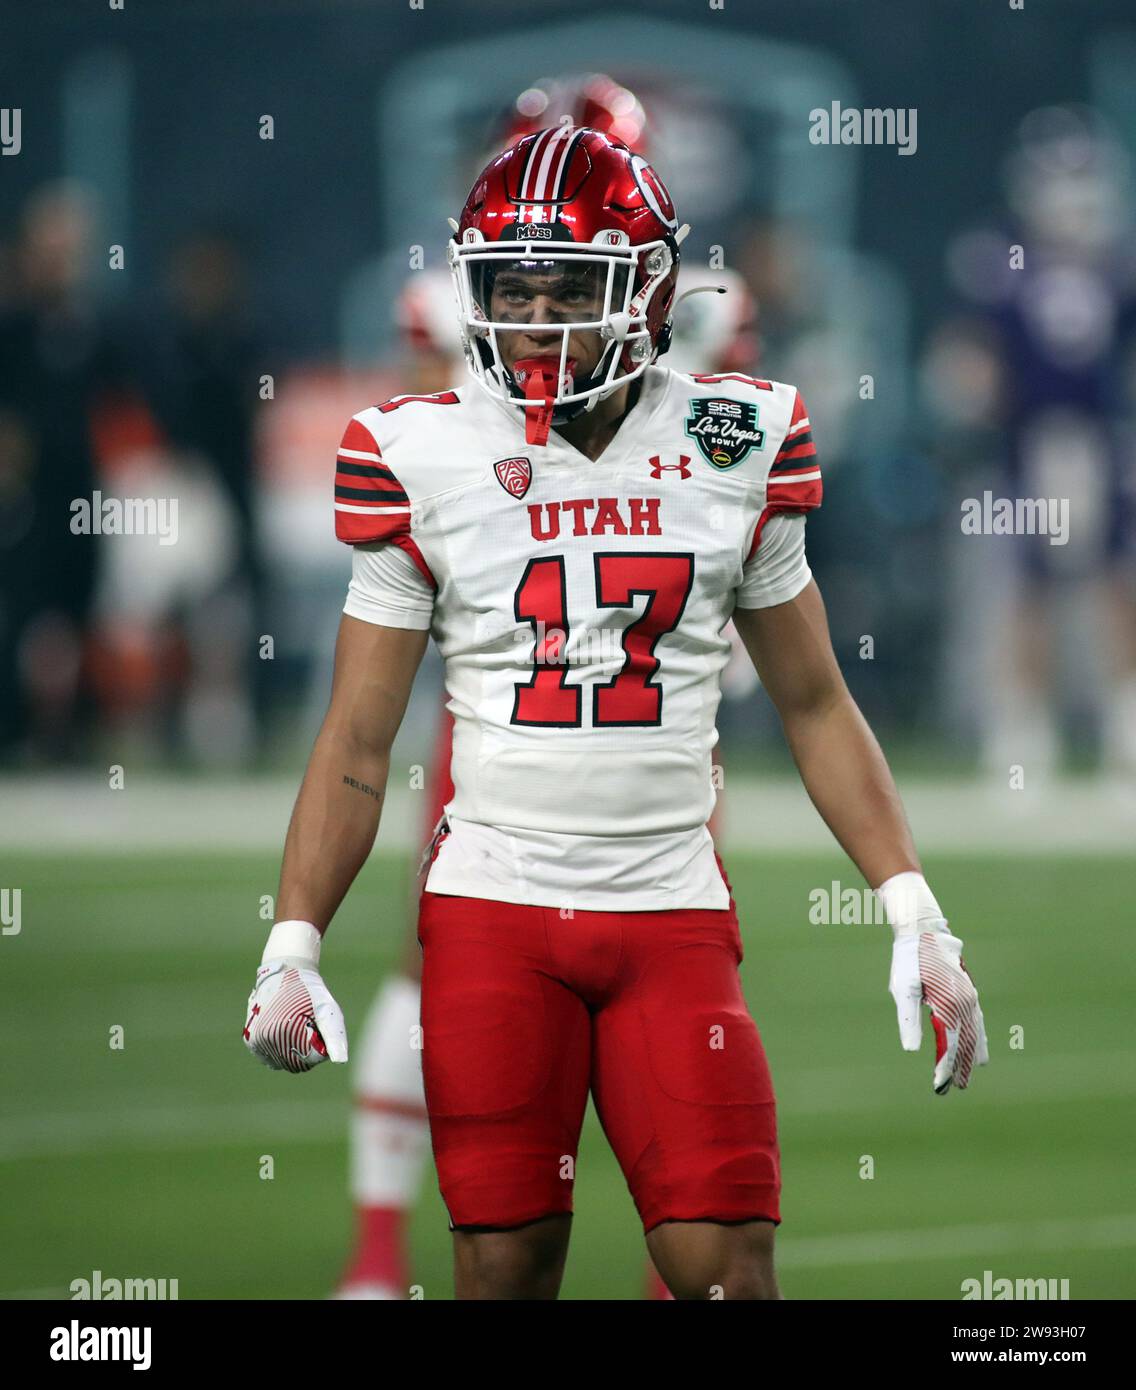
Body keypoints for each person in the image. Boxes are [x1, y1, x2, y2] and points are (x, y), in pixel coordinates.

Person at [243, 126, 987, 1300]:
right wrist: (293, 943)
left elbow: (811, 699)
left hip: (669, 913)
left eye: (566, 290)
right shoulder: (416, 448)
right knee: (502, 1273)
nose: (535, 321)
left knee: (727, 1271)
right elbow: (355, 741)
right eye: (510, 289)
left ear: (646, 291)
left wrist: (914, 910)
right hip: (490, 907)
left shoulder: (730, 437)